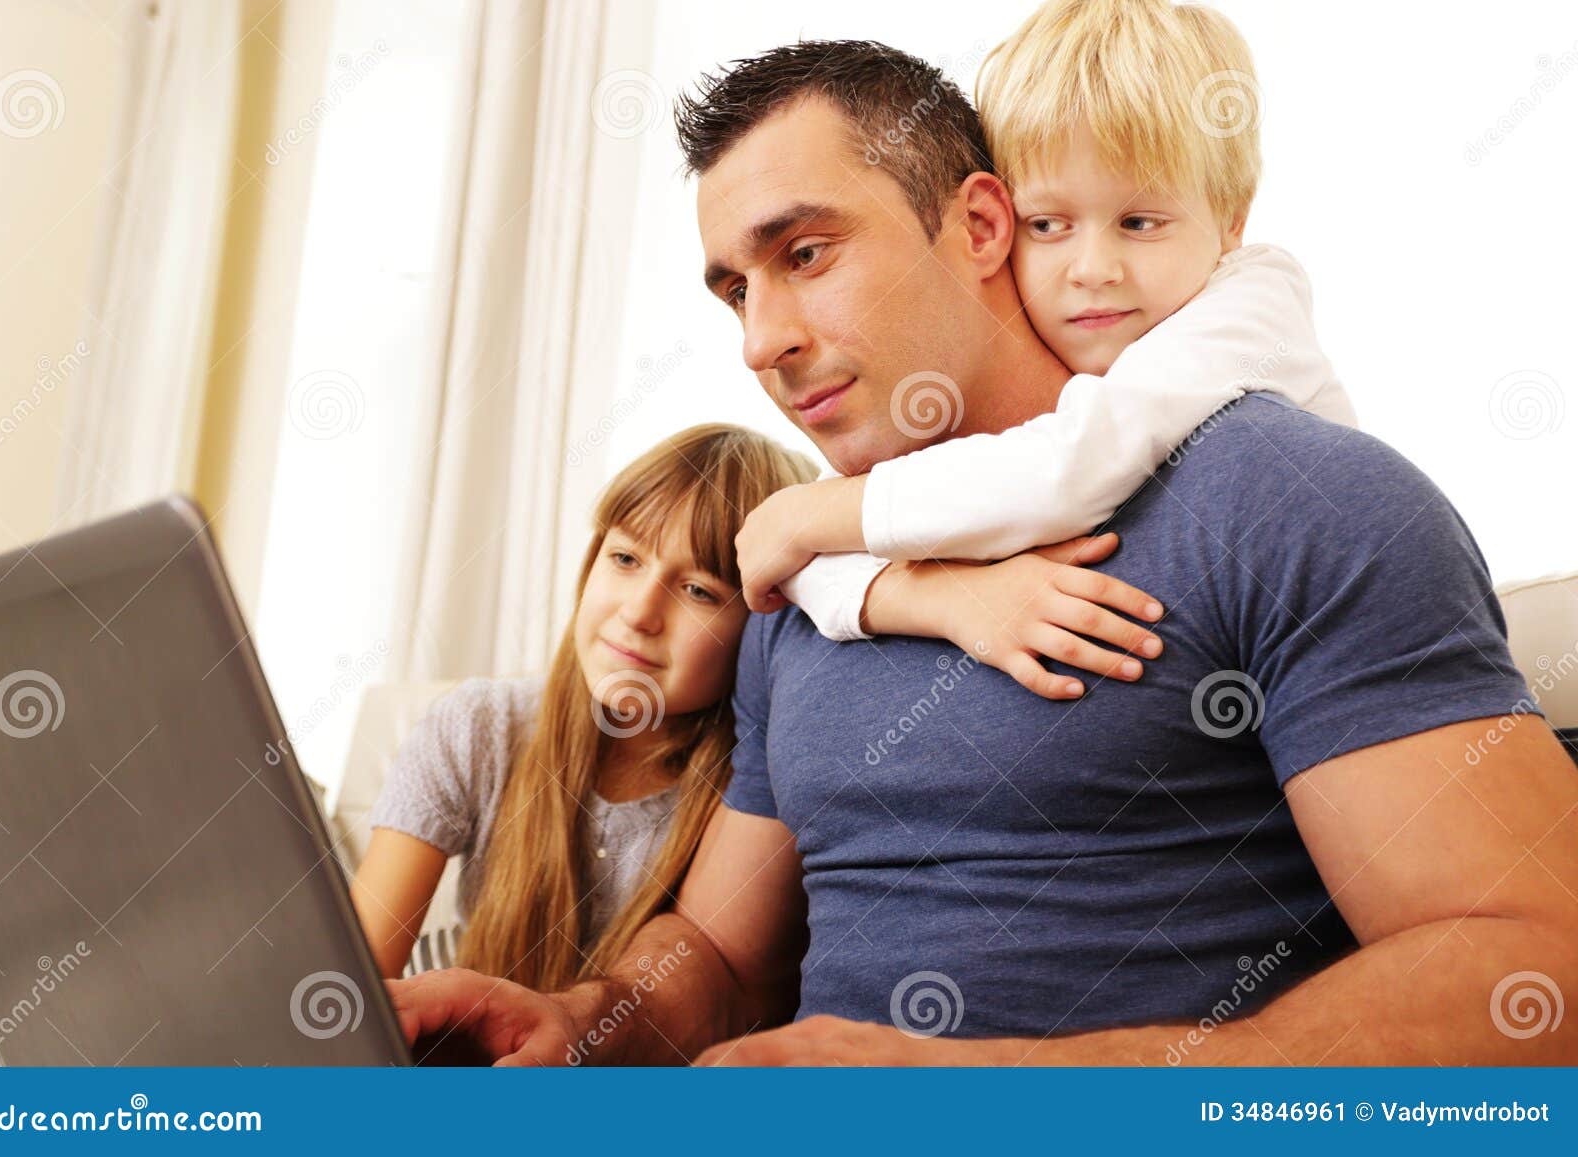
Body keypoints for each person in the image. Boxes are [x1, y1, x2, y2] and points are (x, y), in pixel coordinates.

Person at [387, 37, 1578, 1066]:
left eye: (804, 254)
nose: (762, 338)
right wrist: (581, 1020)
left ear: (977, 223)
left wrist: (987, 1088)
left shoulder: (1289, 496)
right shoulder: (808, 583)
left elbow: (1541, 979)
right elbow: (717, 953)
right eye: (733, 289)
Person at [351, 423, 1157, 985]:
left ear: (762, 621)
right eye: (625, 558)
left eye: (699, 589)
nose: (638, 611)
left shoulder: (763, 792)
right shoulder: (479, 731)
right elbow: (353, 985)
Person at [735, 0, 1358, 671]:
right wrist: (934, 596)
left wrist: (804, 516)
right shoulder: (1020, 366)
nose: (1092, 270)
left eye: (1141, 223)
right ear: (996, 220)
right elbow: (798, 560)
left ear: (1232, 221)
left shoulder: (1249, 307)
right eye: (1047, 225)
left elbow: (1069, 470)